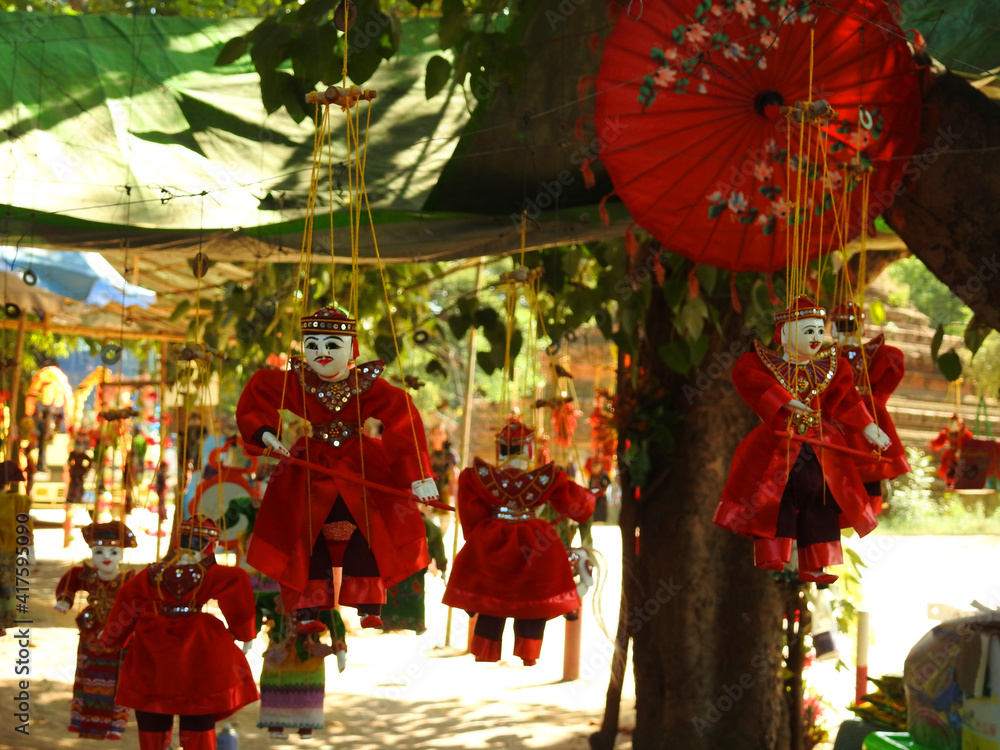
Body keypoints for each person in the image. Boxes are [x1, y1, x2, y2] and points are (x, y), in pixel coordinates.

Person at [237, 304, 439, 632]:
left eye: (332, 344)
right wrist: (265, 435)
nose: (321, 352)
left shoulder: (368, 385)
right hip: (309, 465)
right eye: (312, 344)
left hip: (360, 466)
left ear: (351, 350)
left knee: (368, 526)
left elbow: (403, 416)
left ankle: (368, 601)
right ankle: (308, 606)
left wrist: (418, 476)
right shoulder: (298, 381)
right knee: (305, 531)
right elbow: (258, 392)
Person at [713, 296, 892, 583]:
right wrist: (786, 402)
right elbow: (751, 383)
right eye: (808, 331)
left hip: (820, 447)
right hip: (778, 446)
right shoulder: (760, 363)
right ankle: (771, 552)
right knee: (775, 497)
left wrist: (870, 429)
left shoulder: (831, 367)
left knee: (821, 499)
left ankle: (816, 564)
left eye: (820, 331)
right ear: (784, 334)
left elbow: (847, 403)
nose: (816, 338)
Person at [443, 416, 595, 665]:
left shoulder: (481, 476)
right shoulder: (546, 478)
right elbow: (576, 504)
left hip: (494, 537)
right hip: (533, 538)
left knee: (492, 597)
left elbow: (470, 513)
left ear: (499, 448)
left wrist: (477, 536)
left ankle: (486, 647)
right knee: (534, 593)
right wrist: (588, 501)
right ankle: (528, 650)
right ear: (529, 449)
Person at [100, 515, 258, 750]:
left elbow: (128, 598)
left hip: (153, 646)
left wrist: (114, 638)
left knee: (152, 710)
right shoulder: (212, 573)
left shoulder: (153, 573)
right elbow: (237, 584)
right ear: (210, 544)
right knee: (198, 712)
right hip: (199, 648)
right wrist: (243, 633)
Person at [54, 522, 137, 740]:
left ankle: (115, 725)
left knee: (117, 680)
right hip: (91, 633)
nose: (106, 557)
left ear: (121, 554)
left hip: (120, 638)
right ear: (91, 553)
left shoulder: (129, 580)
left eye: (113, 551)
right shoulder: (85, 574)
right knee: (87, 677)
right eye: (99, 552)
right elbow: (68, 583)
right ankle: (83, 722)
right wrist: (65, 601)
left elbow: (141, 602)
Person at [829, 301, 911, 512]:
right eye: (841, 326)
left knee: (868, 462)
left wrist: (877, 403)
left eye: (852, 326)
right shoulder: (825, 357)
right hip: (832, 414)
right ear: (832, 329)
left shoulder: (878, 354)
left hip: (863, 415)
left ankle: (865, 505)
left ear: (862, 328)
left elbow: (889, 378)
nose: (848, 332)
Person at [255, 591, 346, 740]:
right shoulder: (274, 598)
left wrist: (340, 648)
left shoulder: (318, 598)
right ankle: (275, 725)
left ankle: (306, 727)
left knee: (308, 693)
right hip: (279, 653)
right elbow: (255, 602)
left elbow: (333, 619)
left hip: (309, 654)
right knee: (275, 690)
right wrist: (252, 629)